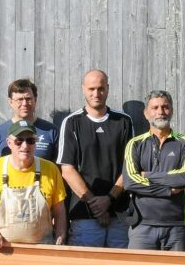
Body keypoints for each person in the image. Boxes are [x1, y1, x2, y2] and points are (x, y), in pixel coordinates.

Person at [57, 69, 133, 247]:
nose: (96, 93)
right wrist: (96, 206)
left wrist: (109, 199)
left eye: (100, 88)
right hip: (85, 216)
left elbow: (130, 166)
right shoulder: (72, 122)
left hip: (119, 214)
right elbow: (67, 170)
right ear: (83, 89)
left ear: (108, 88)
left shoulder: (124, 121)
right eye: (91, 89)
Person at [0, 120, 67, 249]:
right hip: (2, 248)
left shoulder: (50, 169)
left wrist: (60, 237)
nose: (25, 146)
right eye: (19, 141)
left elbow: (60, 210)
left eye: (30, 141)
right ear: (9, 143)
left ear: (35, 143)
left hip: (42, 249)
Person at [122, 90, 185, 251]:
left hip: (177, 226)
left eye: (165, 107)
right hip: (141, 226)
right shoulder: (135, 144)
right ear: (146, 113)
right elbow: (129, 182)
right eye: (155, 108)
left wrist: (147, 175)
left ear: (172, 110)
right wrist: (168, 191)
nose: (160, 112)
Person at [0, 78, 58, 162]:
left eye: (28, 99)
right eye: (19, 99)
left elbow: (59, 169)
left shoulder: (51, 131)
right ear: (10, 102)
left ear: (35, 99)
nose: (24, 104)